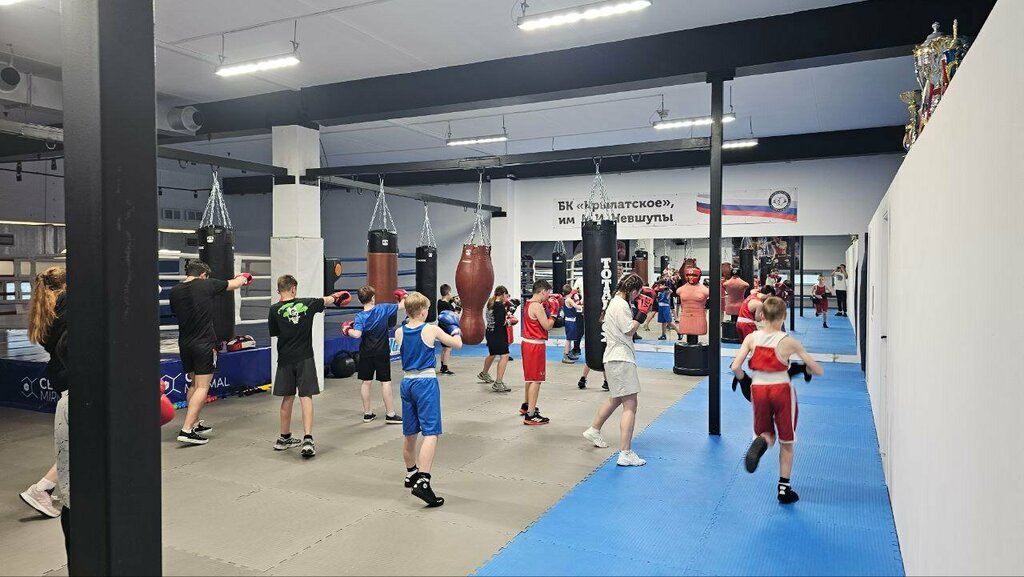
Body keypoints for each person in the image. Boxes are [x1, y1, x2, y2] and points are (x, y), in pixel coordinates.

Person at [731, 296, 824, 503]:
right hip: (781, 389)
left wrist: (744, 380)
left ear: (762, 315)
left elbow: (736, 367)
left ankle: (762, 442)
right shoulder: (788, 341)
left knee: (765, 433)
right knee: (787, 442)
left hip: (758, 388)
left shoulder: (751, 338)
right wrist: (805, 369)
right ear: (784, 316)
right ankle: (784, 490)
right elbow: (817, 369)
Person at [169, 261, 252, 445]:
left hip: (185, 343)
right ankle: (187, 429)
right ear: (204, 275)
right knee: (202, 387)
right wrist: (245, 278)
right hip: (204, 343)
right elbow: (235, 283)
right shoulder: (206, 284)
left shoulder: (175, 291)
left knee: (193, 384)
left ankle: (195, 422)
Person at [269, 275, 351, 458]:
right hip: (305, 357)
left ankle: (284, 438)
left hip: (285, 359)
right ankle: (307, 439)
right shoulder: (308, 303)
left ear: (278, 291)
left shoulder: (274, 309)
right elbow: (330, 299)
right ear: (293, 289)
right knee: (306, 397)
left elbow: (274, 333)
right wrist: (339, 296)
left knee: (287, 398)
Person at [397, 292, 463, 507]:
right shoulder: (430, 329)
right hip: (425, 383)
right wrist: (455, 327)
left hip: (407, 383)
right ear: (424, 311)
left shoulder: (399, 332)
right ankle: (423, 482)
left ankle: (411, 473)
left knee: (410, 432)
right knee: (431, 433)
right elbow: (457, 344)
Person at [581, 273, 653, 466]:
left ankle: (594, 429)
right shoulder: (620, 305)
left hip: (614, 358)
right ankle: (625, 452)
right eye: (637, 294)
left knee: (615, 398)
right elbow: (629, 330)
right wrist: (642, 313)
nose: (637, 297)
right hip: (620, 358)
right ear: (633, 290)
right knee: (630, 405)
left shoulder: (616, 302)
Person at [19, 267, 67, 519]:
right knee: (83, 444)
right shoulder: (67, 305)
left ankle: (46, 488)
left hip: (61, 378)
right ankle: (42, 488)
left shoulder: (45, 312)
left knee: (80, 442)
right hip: (74, 380)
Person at [342, 285, 407, 424]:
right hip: (381, 352)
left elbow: (357, 334)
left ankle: (367, 413)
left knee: (366, 382)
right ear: (372, 298)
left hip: (365, 352)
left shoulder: (360, 316)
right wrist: (403, 296)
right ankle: (390, 414)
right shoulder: (382, 308)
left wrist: (347, 330)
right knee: (385, 382)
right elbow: (403, 305)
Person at [520, 279, 561, 425]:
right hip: (535, 346)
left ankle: (526, 406)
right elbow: (548, 326)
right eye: (547, 293)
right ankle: (531, 415)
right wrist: (554, 313)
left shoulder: (529, 303)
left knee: (530, 378)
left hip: (527, 343)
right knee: (536, 380)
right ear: (543, 291)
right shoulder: (537, 306)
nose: (548, 296)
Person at [479, 286, 513, 393]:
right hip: (498, 334)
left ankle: (484, 373)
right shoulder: (499, 306)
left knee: (492, 353)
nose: (506, 298)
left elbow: (495, 319)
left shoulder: (491, 304)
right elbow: (500, 323)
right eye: (506, 296)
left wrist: (507, 314)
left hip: (490, 332)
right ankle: (498, 383)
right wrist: (509, 321)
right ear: (503, 294)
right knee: (505, 356)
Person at [435, 284, 457, 375]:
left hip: (441, 327)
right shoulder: (448, 306)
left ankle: (442, 366)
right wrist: (459, 306)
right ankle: (445, 368)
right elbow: (455, 315)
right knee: (448, 348)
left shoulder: (439, 302)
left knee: (444, 348)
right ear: (448, 293)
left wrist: (452, 300)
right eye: (450, 293)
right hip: (447, 328)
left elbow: (446, 303)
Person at [561, 284, 583, 363]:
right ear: (570, 291)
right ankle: (565, 355)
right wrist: (582, 306)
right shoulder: (569, 300)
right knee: (568, 339)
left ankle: (568, 353)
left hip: (570, 320)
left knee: (570, 338)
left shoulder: (566, 299)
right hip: (570, 321)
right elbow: (576, 306)